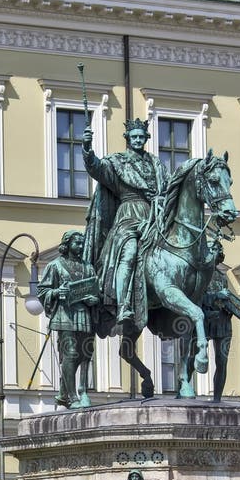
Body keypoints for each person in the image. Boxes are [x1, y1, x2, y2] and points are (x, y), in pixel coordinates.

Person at [82, 118, 168, 333]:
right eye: (134, 137)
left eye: (141, 137)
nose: (138, 140)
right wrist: (86, 148)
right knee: (128, 253)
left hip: (154, 216)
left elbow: (168, 188)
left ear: (146, 138)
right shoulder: (117, 162)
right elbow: (96, 168)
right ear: (128, 139)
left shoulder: (156, 164)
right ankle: (123, 306)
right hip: (128, 215)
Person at [39, 230, 99, 408]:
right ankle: (72, 396)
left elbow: (95, 291)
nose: (80, 247)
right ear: (67, 244)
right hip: (64, 314)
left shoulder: (87, 267)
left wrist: (94, 299)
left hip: (83, 313)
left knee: (84, 354)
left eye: (82, 243)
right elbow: (42, 291)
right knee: (70, 354)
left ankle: (63, 394)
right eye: (77, 243)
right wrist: (57, 292)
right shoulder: (55, 266)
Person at [200, 242, 240, 402]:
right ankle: (184, 388)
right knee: (192, 355)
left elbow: (225, 299)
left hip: (223, 322)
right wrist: (216, 296)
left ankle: (217, 399)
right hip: (204, 321)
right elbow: (196, 299)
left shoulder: (222, 276)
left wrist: (231, 307)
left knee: (222, 362)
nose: (212, 252)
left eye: (215, 250)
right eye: (210, 249)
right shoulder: (199, 274)